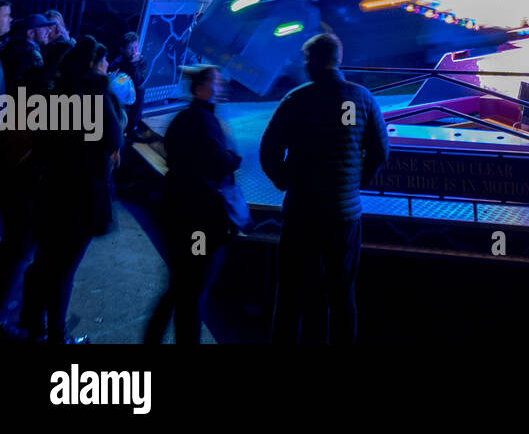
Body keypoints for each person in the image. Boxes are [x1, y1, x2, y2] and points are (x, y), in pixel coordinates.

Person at [259, 33, 388, 344]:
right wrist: (356, 183)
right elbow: (380, 150)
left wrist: (284, 181)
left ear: (314, 62)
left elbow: (268, 150)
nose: (304, 66)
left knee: (290, 294)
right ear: (337, 60)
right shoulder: (362, 99)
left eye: (306, 60)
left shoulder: (297, 99)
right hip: (344, 217)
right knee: (342, 296)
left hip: (302, 213)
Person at [23, 37, 123, 344]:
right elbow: (115, 140)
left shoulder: (53, 93)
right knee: (64, 268)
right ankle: (57, 335)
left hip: (51, 190)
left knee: (45, 262)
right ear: (93, 64)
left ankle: (34, 328)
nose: (108, 67)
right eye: (104, 61)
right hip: (82, 194)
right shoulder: (96, 94)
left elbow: (38, 144)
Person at [145, 66, 244, 345]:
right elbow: (220, 162)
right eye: (215, 83)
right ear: (200, 89)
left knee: (181, 284)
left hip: (178, 211)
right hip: (197, 223)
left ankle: (153, 338)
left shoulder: (184, 119)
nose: (220, 87)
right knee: (191, 286)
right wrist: (234, 157)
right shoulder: (204, 121)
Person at [0, 14, 56, 341]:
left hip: (13, 184)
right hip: (23, 190)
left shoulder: (10, 52)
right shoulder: (33, 119)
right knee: (18, 251)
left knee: (13, 248)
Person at [111, 32, 149, 139]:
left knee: (140, 91)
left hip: (132, 91)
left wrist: (133, 64)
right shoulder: (119, 60)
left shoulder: (140, 61)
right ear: (122, 49)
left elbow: (139, 81)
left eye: (136, 47)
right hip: (119, 90)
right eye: (130, 49)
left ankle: (133, 128)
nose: (134, 51)